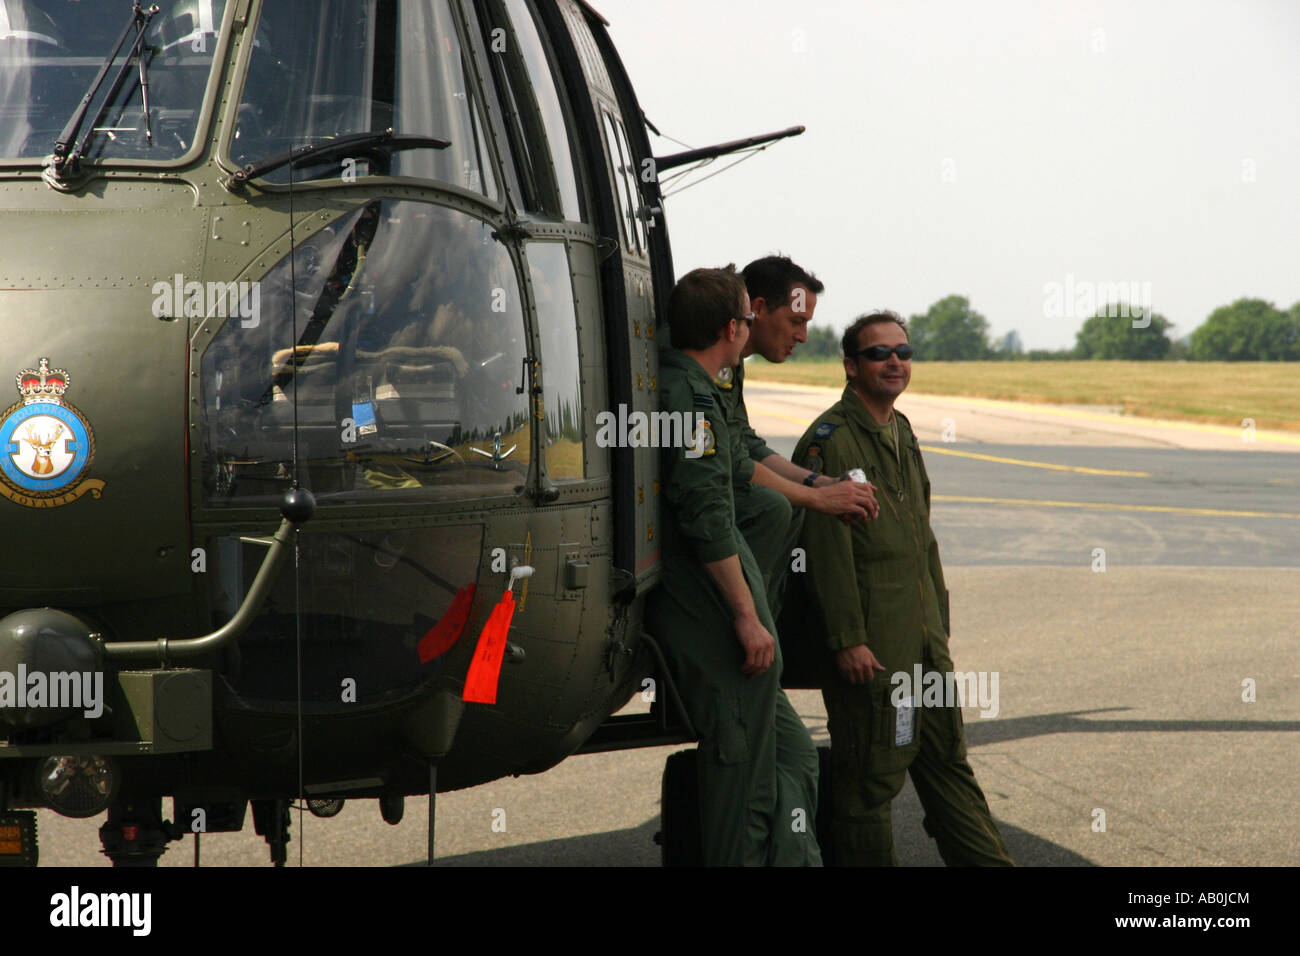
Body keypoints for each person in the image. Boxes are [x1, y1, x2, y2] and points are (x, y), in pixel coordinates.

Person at [792, 311, 1014, 866]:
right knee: (870, 783)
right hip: (874, 649)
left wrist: (937, 624)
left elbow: (923, 539)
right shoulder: (830, 444)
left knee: (948, 764)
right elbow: (825, 554)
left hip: (922, 644)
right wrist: (847, 640)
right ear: (850, 365)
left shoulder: (903, 429)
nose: (895, 362)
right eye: (878, 353)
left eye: (904, 352)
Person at [647, 265, 821, 866]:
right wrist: (748, 617)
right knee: (741, 786)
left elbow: (741, 466)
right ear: (732, 327)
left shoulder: (700, 386)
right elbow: (708, 516)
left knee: (794, 760)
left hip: (728, 615)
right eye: (750, 319)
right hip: (715, 614)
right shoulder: (691, 400)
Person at [712, 256, 877, 621]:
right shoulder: (716, 362)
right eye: (796, 321)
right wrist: (818, 498)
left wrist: (822, 483)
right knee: (775, 507)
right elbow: (734, 462)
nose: (802, 336)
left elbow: (746, 444)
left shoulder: (730, 363)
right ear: (758, 309)